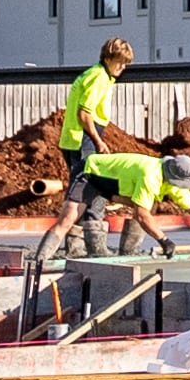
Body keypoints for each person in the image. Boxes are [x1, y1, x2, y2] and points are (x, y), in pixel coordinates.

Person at [54, 39, 135, 256]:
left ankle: (82, 245)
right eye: (119, 62)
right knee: (88, 191)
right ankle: (87, 246)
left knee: (83, 191)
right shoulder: (98, 77)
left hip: (78, 139)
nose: (123, 67)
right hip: (83, 140)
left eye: (125, 63)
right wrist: (98, 142)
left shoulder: (98, 76)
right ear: (108, 59)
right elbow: (84, 114)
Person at [87, 133, 190, 260]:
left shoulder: (173, 180)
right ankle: (82, 251)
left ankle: (128, 250)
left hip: (116, 182)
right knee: (79, 211)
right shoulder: (151, 176)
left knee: (146, 205)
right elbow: (141, 215)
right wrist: (164, 240)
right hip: (93, 171)